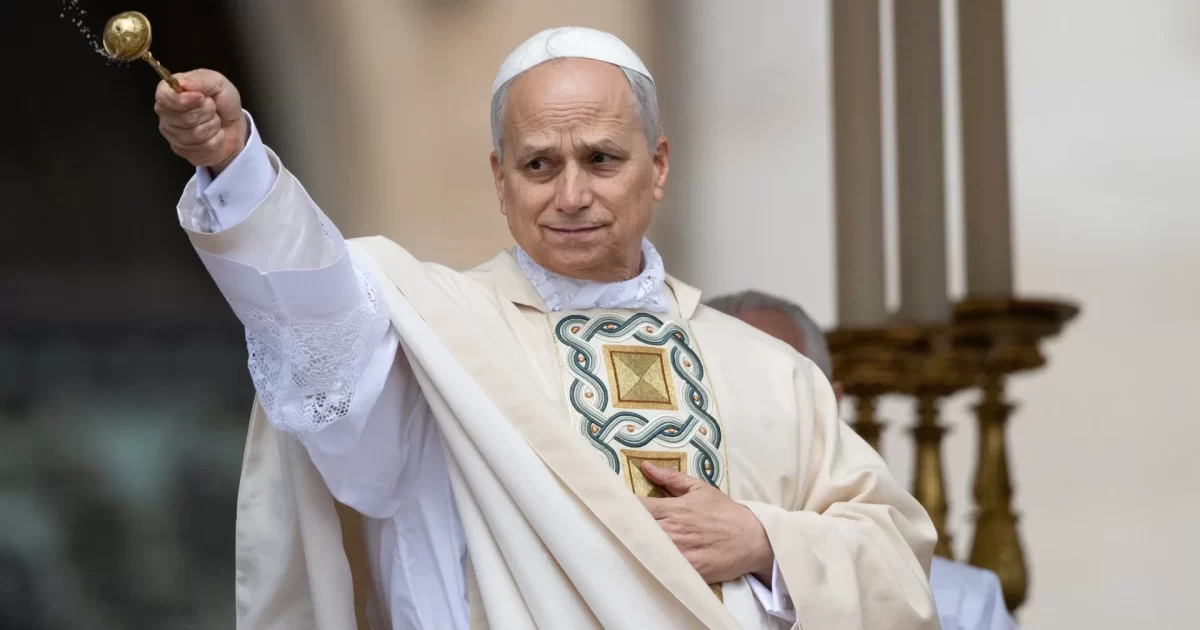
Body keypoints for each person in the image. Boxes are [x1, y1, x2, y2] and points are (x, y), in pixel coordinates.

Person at [154, 26, 938, 629]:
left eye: (601, 159)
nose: (571, 195)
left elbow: (901, 561)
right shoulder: (434, 335)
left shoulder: (774, 373)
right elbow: (313, 306)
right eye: (539, 165)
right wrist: (237, 170)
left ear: (657, 166)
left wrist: (764, 544)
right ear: (500, 179)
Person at [707, 289, 1019, 630]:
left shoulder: (961, 601)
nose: (756, 419)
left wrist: (771, 548)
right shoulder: (663, 579)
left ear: (832, 406)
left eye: (779, 394)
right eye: (731, 397)